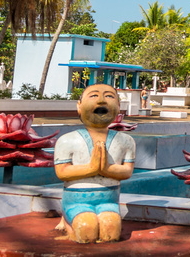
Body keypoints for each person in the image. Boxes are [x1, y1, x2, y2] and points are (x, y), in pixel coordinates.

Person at [54, 84, 136, 243]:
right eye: (93, 96)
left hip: (108, 201)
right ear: (79, 106)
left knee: (111, 231)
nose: (101, 101)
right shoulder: (67, 140)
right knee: (86, 229)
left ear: (118, 107)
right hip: (76, 201)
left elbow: (127, 171)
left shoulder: (126, 141)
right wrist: (91, 168)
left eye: (109, 96)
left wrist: (107, 169)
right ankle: (67, 221)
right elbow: (62, 172)